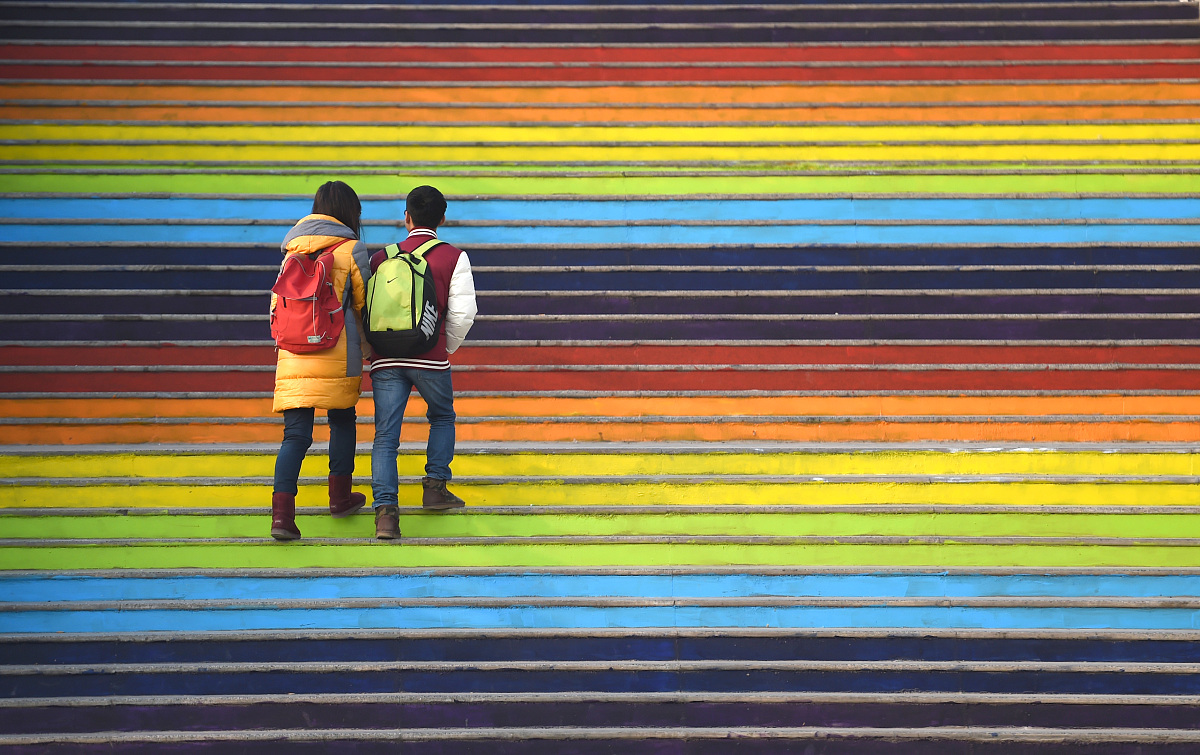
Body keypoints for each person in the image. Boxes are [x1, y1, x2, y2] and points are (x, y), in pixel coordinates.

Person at [370, 185, 477, 540]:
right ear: (442, 218)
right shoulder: (453, 257)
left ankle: (386, 515)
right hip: (429, 358)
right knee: (442, 416)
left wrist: (373, 353)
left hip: (386, 358)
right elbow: (463, 313)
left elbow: (363, 311)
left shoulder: (380, 258)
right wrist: (444, 346)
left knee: (386, 436)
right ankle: (434, 488)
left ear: (406, 217)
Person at [270, 181, 373, 541]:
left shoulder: (291, 251)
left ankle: (282, 516)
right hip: (336, 351)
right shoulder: (351, 249)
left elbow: (275, 308)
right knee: (343, 420)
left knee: (295, 435)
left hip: (293, 353)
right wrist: (371, 351)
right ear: (350, 212)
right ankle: (340, 497)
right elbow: (366, 306)